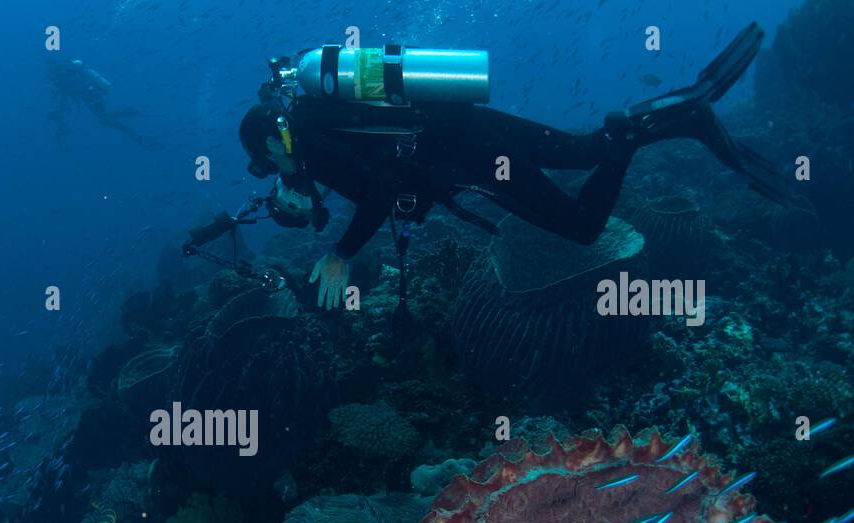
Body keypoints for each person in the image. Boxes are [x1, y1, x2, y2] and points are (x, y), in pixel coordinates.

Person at [240, 24, 790, 309]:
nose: (276, 169)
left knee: (582, 226)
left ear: (270, 140)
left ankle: (639, 130)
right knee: (584, 149)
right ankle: (683, 116)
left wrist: (341, 254)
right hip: (467, 122)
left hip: (470, 155)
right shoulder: (318, 120)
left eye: (267, 160)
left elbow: (381, 190)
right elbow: (383, 180)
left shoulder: (311, 138)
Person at [46, 56, 159, 149]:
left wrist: (61, 109)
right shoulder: (65, 72)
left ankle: (129, 121)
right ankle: (130, 125)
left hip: (90, 95)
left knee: (104, 118)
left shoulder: (58, 76)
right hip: (92, 93)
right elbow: (65, 95)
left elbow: (64, 95)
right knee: (104, 118)